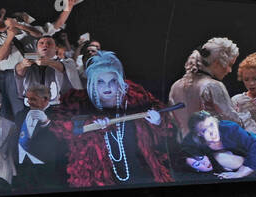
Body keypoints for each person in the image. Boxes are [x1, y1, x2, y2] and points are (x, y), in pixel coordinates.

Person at [52, 51, 174, 187]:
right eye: (100, 82)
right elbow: (60, 127)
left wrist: (157, 121)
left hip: (140, 175)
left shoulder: (135, 98)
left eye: (112, 81)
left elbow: (163, 121)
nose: (107, 87)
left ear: (120, 81)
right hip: (98, 180)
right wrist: (89, 124)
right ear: (92, 84)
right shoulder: (80, 102)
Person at [168, 37, 245, 138]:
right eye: (230, 65)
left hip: (182, 148)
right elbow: (234, 124)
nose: (230, 70)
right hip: (209, 148)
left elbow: (172, 121)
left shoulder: (176, 86)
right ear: (217, 63)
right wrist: (244, 114)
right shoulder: (213, 86)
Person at [12, 84, 67, 192]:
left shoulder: (59, 114)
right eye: (27, 98)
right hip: (24, 168)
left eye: (33, 99)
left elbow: (63, 137)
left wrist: (47, 122)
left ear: (45, 99)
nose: (28, 102)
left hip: (48, 168)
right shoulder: (21, 114)